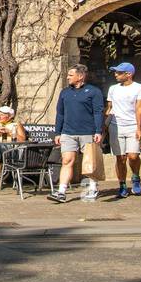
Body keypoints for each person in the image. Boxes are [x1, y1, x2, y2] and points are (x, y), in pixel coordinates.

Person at [50, 63, 104, 203]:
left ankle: (93, 188)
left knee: (89, 162)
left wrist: (98, 131)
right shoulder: (65, 93)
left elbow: (98, 112)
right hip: (68, 133)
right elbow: (60, 113)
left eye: (70, 75)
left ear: (80, 76)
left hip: (88, 132)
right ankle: (61, 191)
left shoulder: (93, 92)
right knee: (67, 160)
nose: (67, 77)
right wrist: (58, 132)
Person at [106, 61, 141, 198]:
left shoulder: (140, 88)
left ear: (128, 74)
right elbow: (109, 108)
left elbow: (139, 108)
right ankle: (122, 184)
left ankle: (136, 178)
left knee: (133, 155)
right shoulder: (113, 88)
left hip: (132, 125)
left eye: (119, 72)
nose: (115, 74)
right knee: (120, 158)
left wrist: (139, 128)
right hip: (115, 126)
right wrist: (104, 126)